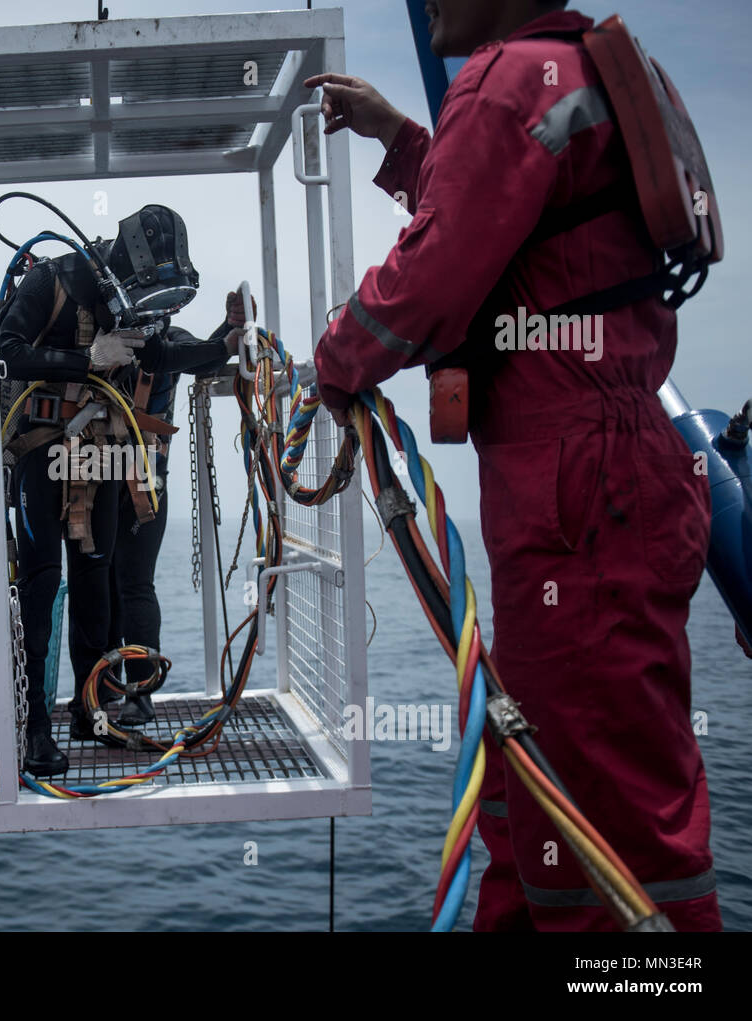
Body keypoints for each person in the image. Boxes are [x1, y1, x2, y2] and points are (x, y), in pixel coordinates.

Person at [309, 0, 720, 930]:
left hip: (580, 484)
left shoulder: (505, 84)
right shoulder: (583, 71)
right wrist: (403, 139)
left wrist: (332, 364)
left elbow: (432, 282)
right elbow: (510, 215)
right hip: (612, 473)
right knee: (539, 777)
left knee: (607, 811)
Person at [0, 205, 239, 776]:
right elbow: (5, 348)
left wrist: (224, 344)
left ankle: (90, 708)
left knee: (95, 586)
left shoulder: (132, 305)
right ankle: (35, 726)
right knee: (41, 584)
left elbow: (164, 353)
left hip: (103, 455)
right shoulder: (51, 279)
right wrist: (86, 360)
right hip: (41, 453)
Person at [101, 291, 249, 727]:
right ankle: (113, 689)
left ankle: (132, 692)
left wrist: (228, 331)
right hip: (108, 479)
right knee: (116, 586)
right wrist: (226, 335)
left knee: (123, 585)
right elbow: (203, 356)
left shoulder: (159, 341)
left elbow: (202, 357)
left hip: (128, 482)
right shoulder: (153, 340)